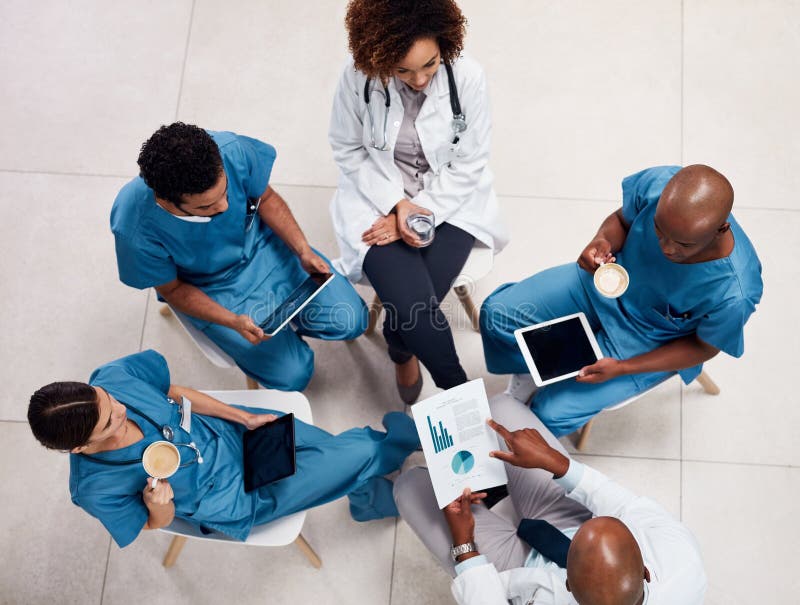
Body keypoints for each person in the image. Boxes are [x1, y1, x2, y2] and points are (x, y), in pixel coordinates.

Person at [27, 349, 420, 548]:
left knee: (340, 459)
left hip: (236, 433)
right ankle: (399, 446)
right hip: (239, 495)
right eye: (110, 422)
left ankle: (371, 497)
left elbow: (171, 391)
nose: (121, 410)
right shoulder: (94, 489)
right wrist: (159, 503)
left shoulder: (112, 378)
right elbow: (152, 523)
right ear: (80, 448)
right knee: (359, 452)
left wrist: (242, 417)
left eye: (109, 400)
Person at [480, 164, 763, 436]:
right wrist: (602, 240)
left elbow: (702, 347)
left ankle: (544, 382)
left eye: (683, 244)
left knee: (550, 413)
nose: (666, 248)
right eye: (658, 230)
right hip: (602, 285)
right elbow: (621, 220)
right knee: (496, 314)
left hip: (646, 340)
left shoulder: (735, 292)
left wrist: (623, 368)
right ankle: (530, 369)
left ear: (721, 229)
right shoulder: (659, 183)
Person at [329, 0, 509, 403]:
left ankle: (399, 347)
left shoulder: (468, 77)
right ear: (380, 57)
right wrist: (397, 205)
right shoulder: (357, 77)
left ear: (445, 42)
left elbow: (470, 163)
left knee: (411, 308)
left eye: (430, 64)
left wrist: (415, 213)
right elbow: (347, 148)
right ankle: (460, 395)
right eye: (403, 71)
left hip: (451, 199)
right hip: (376, 195)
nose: (421, 79)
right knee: (414, 304)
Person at [111, 122, 368, 391]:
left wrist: (302, 249)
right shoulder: (134, 227)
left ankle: (292, 327)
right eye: (207, 207)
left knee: (354, 320)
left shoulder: (230, 150)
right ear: (166, 202)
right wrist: (231, 322)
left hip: (267, 249)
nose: (225, 206)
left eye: (225, 192)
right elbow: (172, 290)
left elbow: (266, 198)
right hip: (213, 292)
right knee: (294, 375)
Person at [394, 394, 706, 604]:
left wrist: (465, 546)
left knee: (409, 487)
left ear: (569, 585)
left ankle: (384, 489)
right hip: (570, 517)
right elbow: (624, 505)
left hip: (515, 571)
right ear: (646, 572)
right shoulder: (680, 558)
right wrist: (557, 463)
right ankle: (493, 482)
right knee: (500, 407)